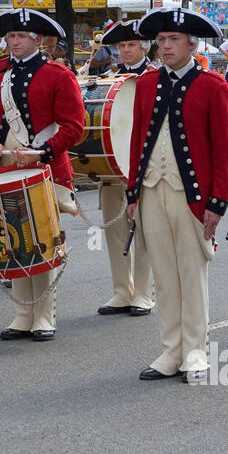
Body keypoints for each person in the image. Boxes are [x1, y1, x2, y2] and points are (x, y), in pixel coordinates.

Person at [125, 7, 228, 383]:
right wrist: (132, 192)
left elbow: (224, 150)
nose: (165, 46)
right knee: (164, 275)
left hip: (192, 195)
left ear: (192, 44)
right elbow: (138, 139)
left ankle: (196, 351)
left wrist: (217, 202)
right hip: (152, 189)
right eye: (161, 40)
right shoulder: (146, 85)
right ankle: (170, 350)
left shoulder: (213, 86)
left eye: (173, 40)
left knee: (191, 273)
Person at [0, 8, 85, 342]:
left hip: (45, 166)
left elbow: (74, 126)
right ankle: (22, 314)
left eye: (21, 36)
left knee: (43, 241)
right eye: (11, 36)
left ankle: (44, 315)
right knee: (14, 238)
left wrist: (45, 150)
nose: (15, 42)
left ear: (38, 40)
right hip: (10, 164)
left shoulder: (57, 75)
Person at [94, 19, 155, 318]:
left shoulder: (157, 78)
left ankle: (143, 293)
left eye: (131, 45)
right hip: (111, 164)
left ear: (144, 47)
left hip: (144, 165)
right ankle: (122, 290)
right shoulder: (108, 78)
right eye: (121, 46)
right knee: (114, 230)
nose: (125, 51)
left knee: (144, 229)